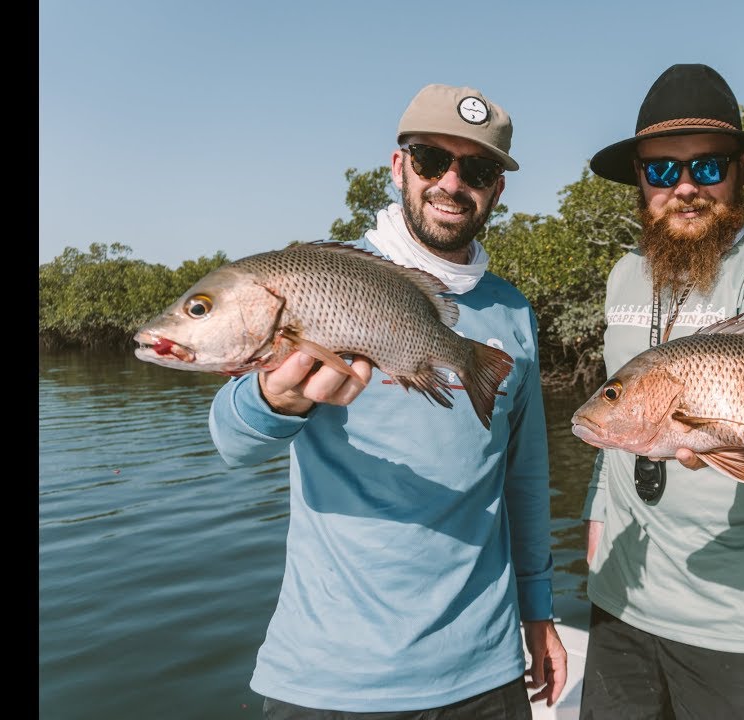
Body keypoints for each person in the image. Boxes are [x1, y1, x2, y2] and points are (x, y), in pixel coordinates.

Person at [209, 82, 567, 719]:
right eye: (432, 160)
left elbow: (526, 474)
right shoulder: (315, 277)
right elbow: (231, 441)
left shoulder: (513, 311)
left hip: (486, 669)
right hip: (332, 676)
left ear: (497, 189)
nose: (452, 183)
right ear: (399, 165)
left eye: (477, 169)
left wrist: (538, 610)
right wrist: (274, 397)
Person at [579, 64, 744, 719]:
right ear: (640, 180)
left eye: (707, 168)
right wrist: (598, 515)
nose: (684, 188)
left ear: (739, 171)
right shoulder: (623, 275)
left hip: (738, 615)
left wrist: (698, 429)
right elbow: (615, 411)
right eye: (662, 171)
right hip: (621, 598)